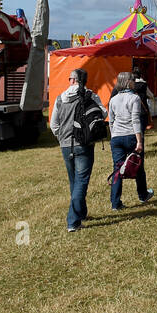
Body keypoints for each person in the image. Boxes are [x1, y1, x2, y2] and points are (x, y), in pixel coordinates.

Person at [51, 68, 104, 232]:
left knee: (74, 181)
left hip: (66, 145)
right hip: (84, 144)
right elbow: (103, 113)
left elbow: (54, 124)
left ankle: (81, 213)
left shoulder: (61, 98)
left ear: (72, 80)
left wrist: (61, 137)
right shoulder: (90, 96)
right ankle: (73, 221)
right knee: (81, 182)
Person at [108, 71, 153, 210]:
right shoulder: (134, 98)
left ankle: (115, 203)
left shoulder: (113, 99)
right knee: (137, 165)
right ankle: (142, 194)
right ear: (128, 82)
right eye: (133, 80)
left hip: (116, 137)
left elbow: (111, 120)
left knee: (117, 169)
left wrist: (113, 135)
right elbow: (135, 120)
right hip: (131, 136)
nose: (135, 82)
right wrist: (139, 140)